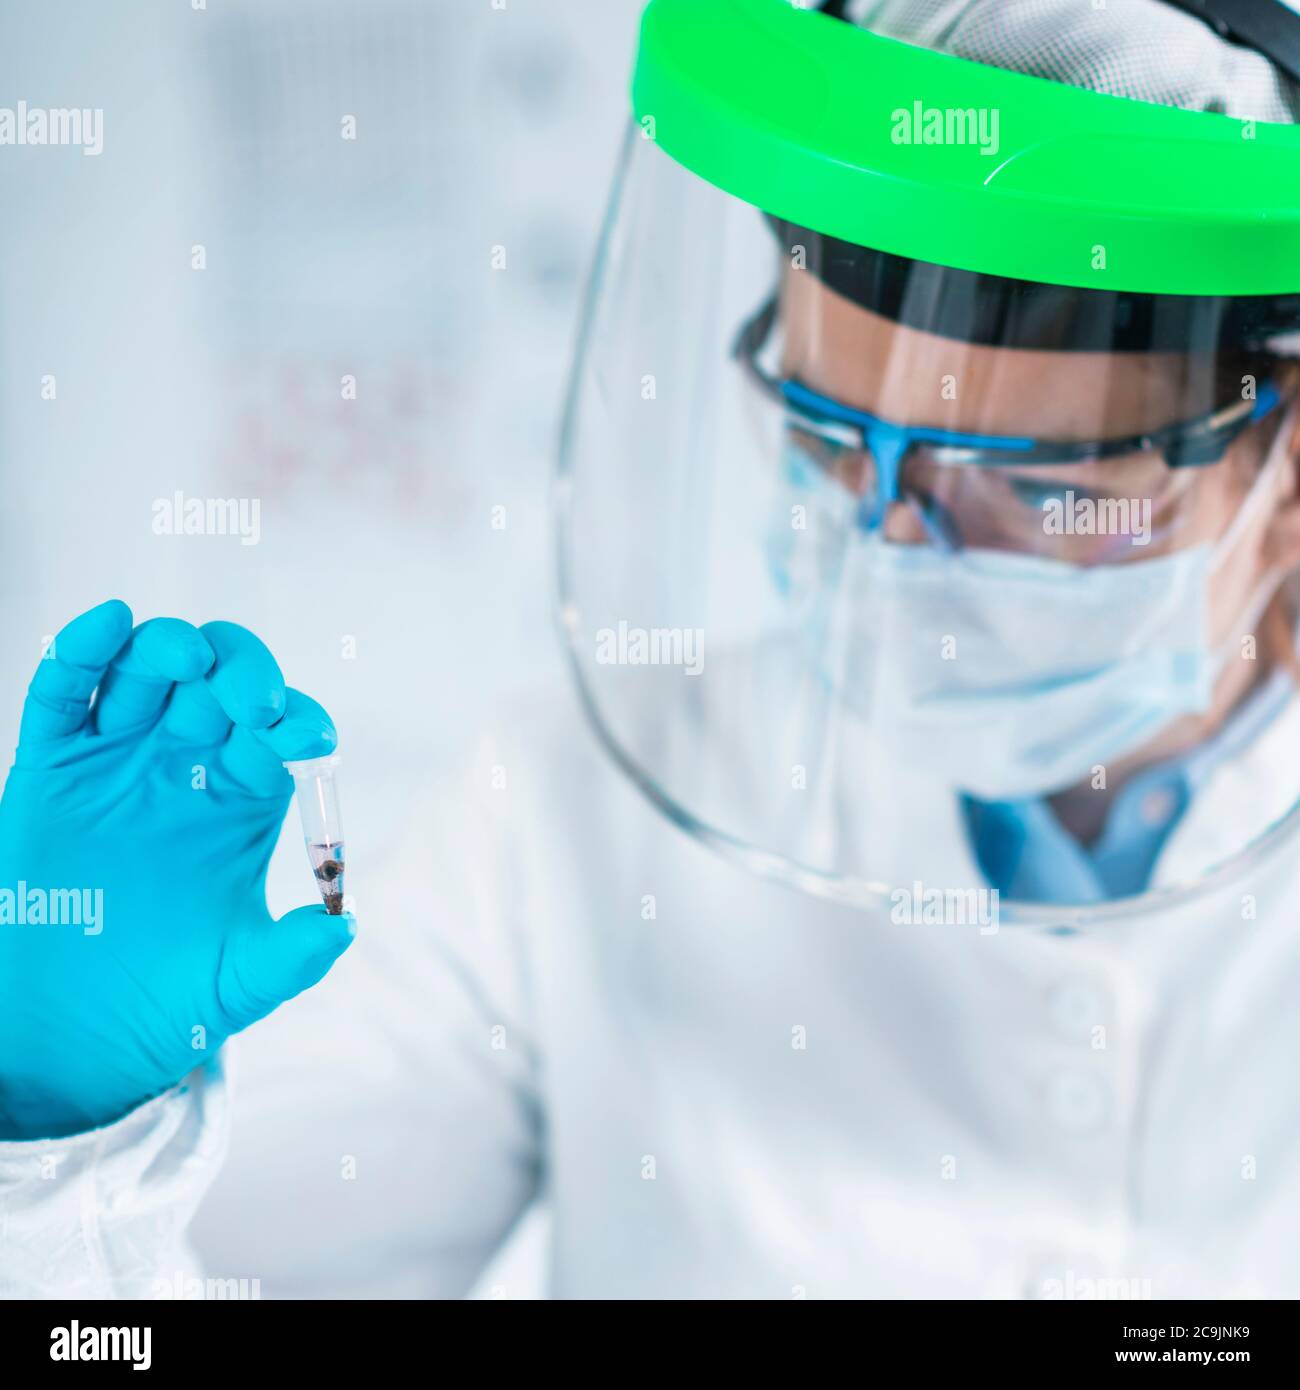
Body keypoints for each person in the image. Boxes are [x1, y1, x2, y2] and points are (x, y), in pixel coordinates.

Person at [5, 0, 1300, 1299]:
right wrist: (56, 1121)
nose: (897, 550)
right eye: (827, 441)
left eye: (1037, 490)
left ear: (1285, 456)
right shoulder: (568, 813)